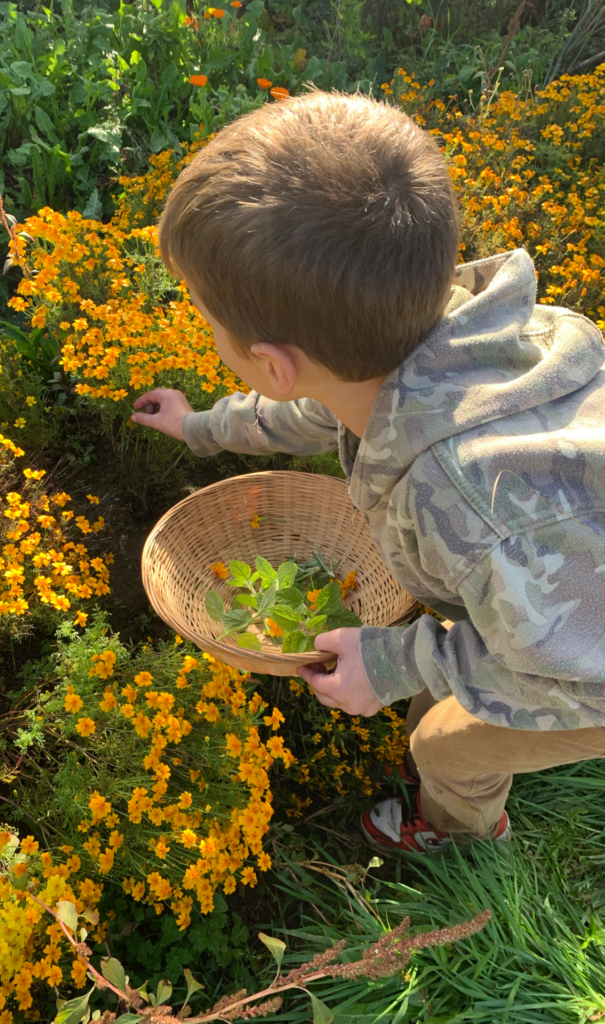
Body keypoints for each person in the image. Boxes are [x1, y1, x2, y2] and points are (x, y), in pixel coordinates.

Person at [130, 88, 605, 854]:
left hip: (590, 660)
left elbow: (583, 675)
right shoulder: (412, 346)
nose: (205, 324)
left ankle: (457, 835)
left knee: (445, 746)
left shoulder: (474, 506)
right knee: (457, 672)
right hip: (561, 580)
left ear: (276, 365)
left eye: (206, 317)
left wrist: (393, 661)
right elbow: (304, 411)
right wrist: (199, 427)